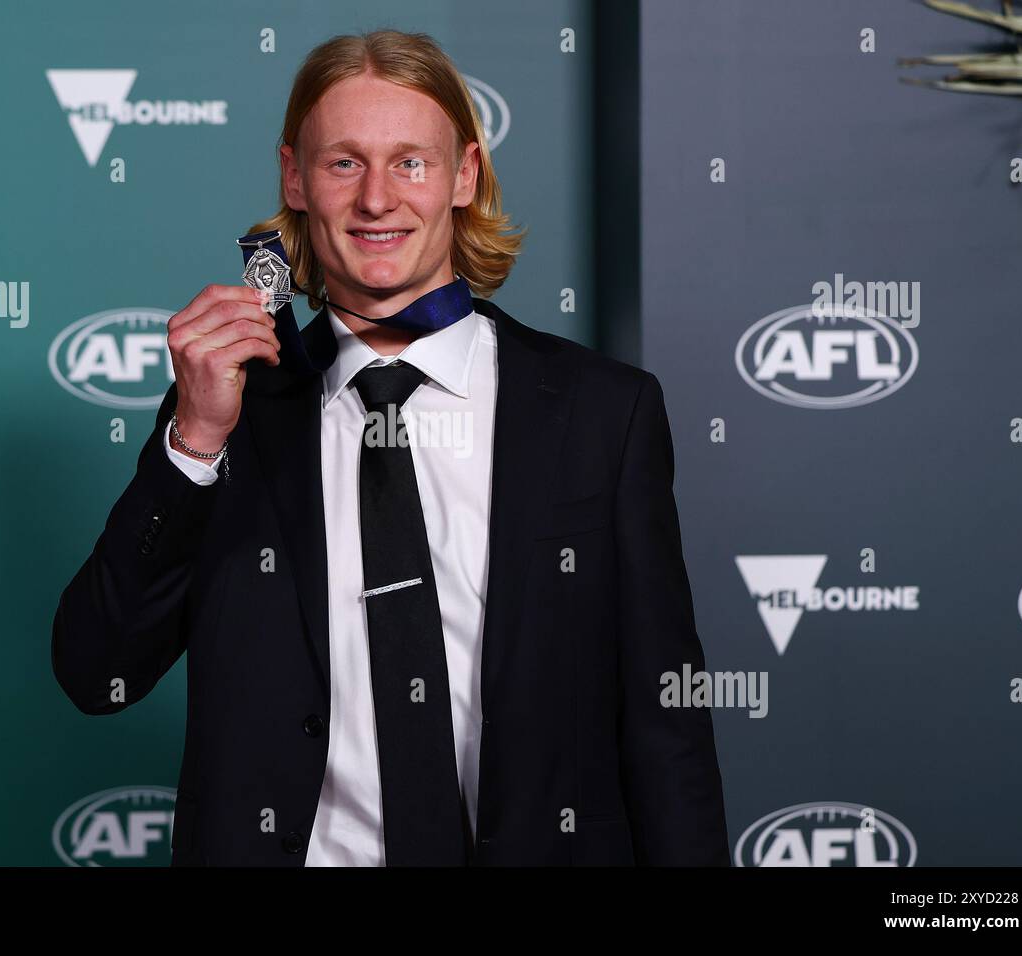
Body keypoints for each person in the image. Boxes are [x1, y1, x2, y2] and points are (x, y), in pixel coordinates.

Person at [52, 29, 728, 867]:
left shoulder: (602, 412)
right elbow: (95, 669)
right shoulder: (230, 412)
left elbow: (668, 729)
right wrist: (193, 441)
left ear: (464, 176)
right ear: (294, 179)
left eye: (410, 161)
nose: (377, 199)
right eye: (344, 163)